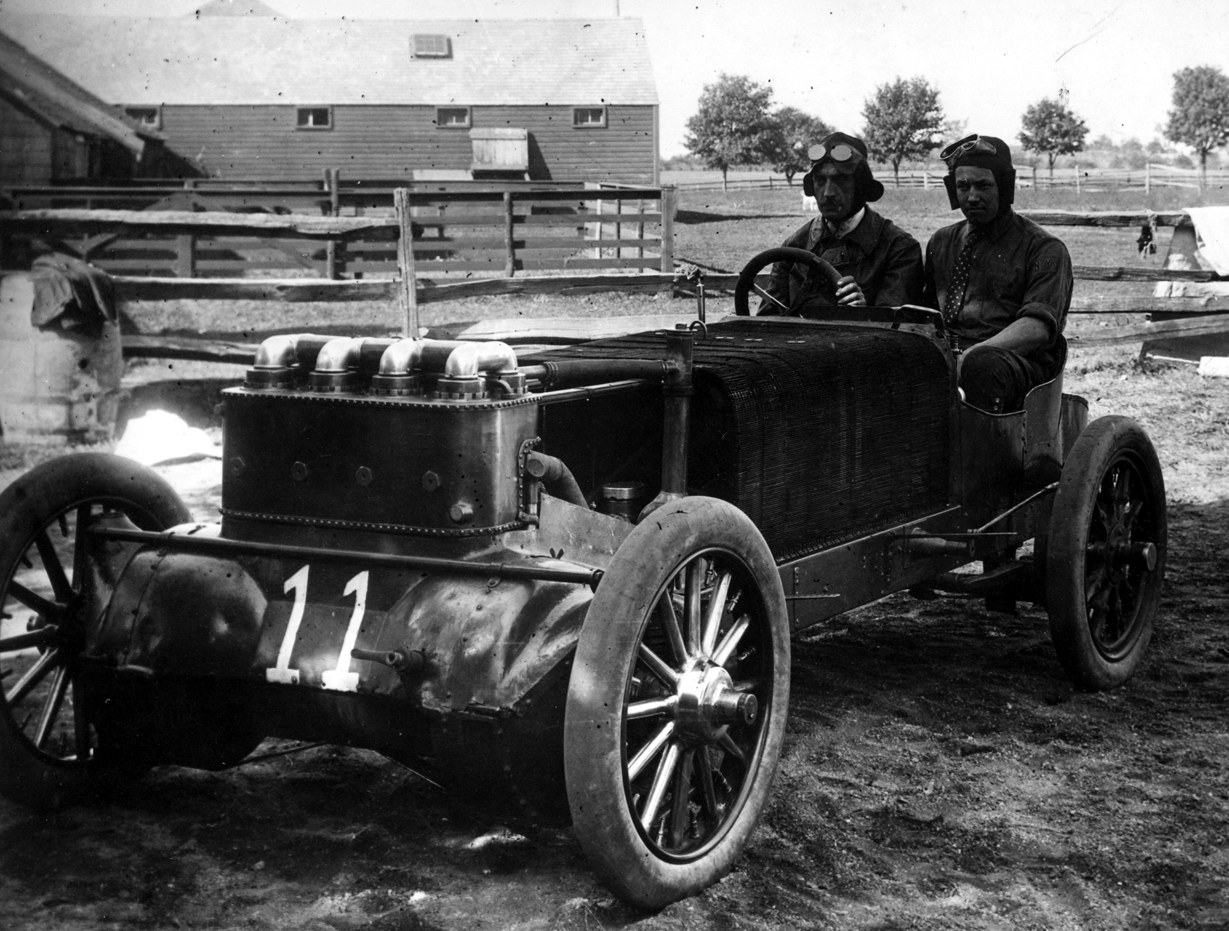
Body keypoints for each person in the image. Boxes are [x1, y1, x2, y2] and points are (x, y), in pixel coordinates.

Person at [923, 134, 1073, 413]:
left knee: (982, 364)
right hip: (953, 358)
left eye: (983, 186)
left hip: (1016, 362)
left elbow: (1036, 329)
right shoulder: (942, 242)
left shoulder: (1044, 248)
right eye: (962, 186)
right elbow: (925, 314)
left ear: (1004, 187)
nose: (972, 196)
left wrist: (968, 357)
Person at [759, 132, 924, 313]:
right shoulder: (794, 246)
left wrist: (864, 312)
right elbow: (766, 321)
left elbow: (898, 331)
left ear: (861, 186)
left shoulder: (899, 249)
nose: (828, 192)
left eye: (840, 179)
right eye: (820, 180)